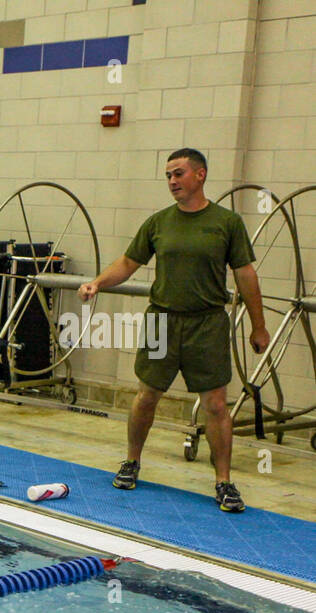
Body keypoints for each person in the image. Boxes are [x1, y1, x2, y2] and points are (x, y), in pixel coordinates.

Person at [79, 148, 269, 512]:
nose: (172, 181)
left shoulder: (226, 223)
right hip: (161, 320)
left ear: (200, 175)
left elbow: (246, 274)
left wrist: (259, 326)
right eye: (168, 175)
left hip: (207, 323)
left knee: (215, 405)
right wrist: (97, 283)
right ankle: (132, 461)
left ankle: (224, 482)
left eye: (179, 174)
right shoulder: (158, 222)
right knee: (146, 396)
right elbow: (128, 262)